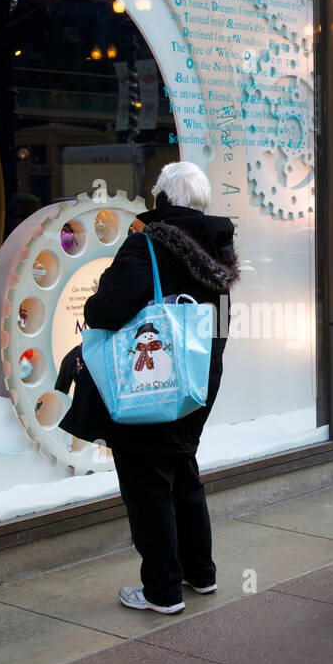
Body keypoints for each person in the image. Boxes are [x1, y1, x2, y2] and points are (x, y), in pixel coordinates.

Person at [59, 162, 239, 614]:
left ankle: (162, 591)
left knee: (148, 488)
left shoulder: (147, 246)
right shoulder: (218, 250)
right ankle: (201, 574)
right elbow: (218, 326)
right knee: (183, 476)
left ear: (160, 199)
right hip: (196, 385)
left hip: (147, 385)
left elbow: (104, 311)